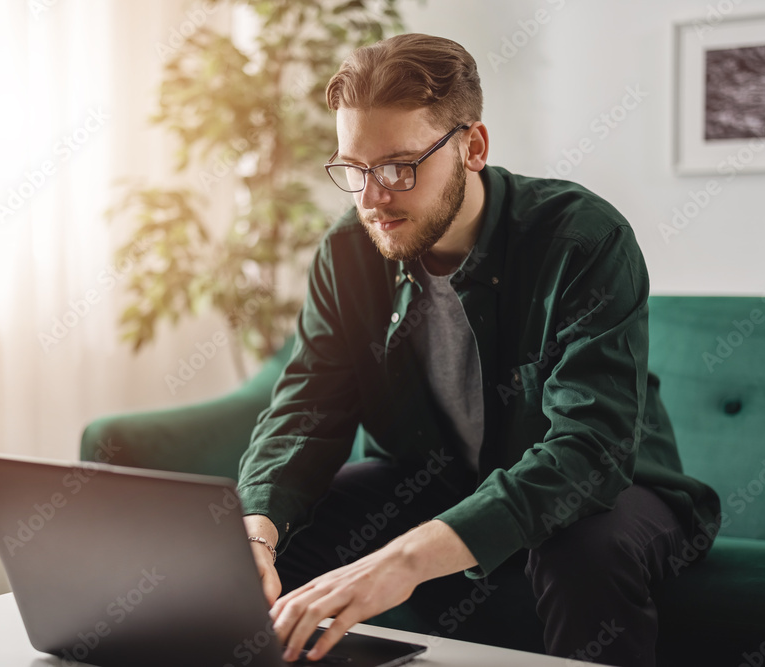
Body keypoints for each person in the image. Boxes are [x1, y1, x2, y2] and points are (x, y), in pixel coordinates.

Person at [236, 33, 720, 667]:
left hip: (617, 488)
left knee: (581, 550)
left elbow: (590, 451)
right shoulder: (347, 252)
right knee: (274, 543)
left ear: (473, 147)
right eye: (354, 170)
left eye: (398, 167)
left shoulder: (582, 239)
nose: (372, 198)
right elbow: (306, 413)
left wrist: (405, 561)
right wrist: (256, 531)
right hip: (435, 479)